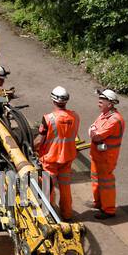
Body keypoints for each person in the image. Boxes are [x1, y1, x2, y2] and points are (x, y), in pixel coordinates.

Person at [34, 85, 78, 220]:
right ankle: (67, 214)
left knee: (48, 188)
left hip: (50, 159)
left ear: (53, 100)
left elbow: (39, 140)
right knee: (65, 188)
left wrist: (32, 147)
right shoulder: (75, 116)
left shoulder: (48, 118)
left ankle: (49, 215)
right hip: (67, 158)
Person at [87, 89, 125, 218]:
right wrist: (93, 131)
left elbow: (96, 136)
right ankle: (98, 203)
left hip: (106, 158)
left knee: (106, 183)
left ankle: (108, 210)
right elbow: (93, 130)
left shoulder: (115, 120)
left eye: (102, 100)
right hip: (98, 155)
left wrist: (93, 131)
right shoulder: (104, 115)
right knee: (96, 179)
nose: (99, 101)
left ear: (110, 104)